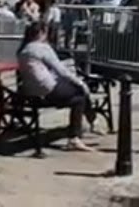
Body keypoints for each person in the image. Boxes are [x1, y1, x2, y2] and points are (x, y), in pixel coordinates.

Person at [17, 22, 94, 151]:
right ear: (41, 33)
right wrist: (81, 83)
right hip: (47, 90)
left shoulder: (23, 49)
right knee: (80, 94)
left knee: (76, 94)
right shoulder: (42, 48)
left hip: (30, 92)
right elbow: (61, 71)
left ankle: (89, 123)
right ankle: (77, 135)